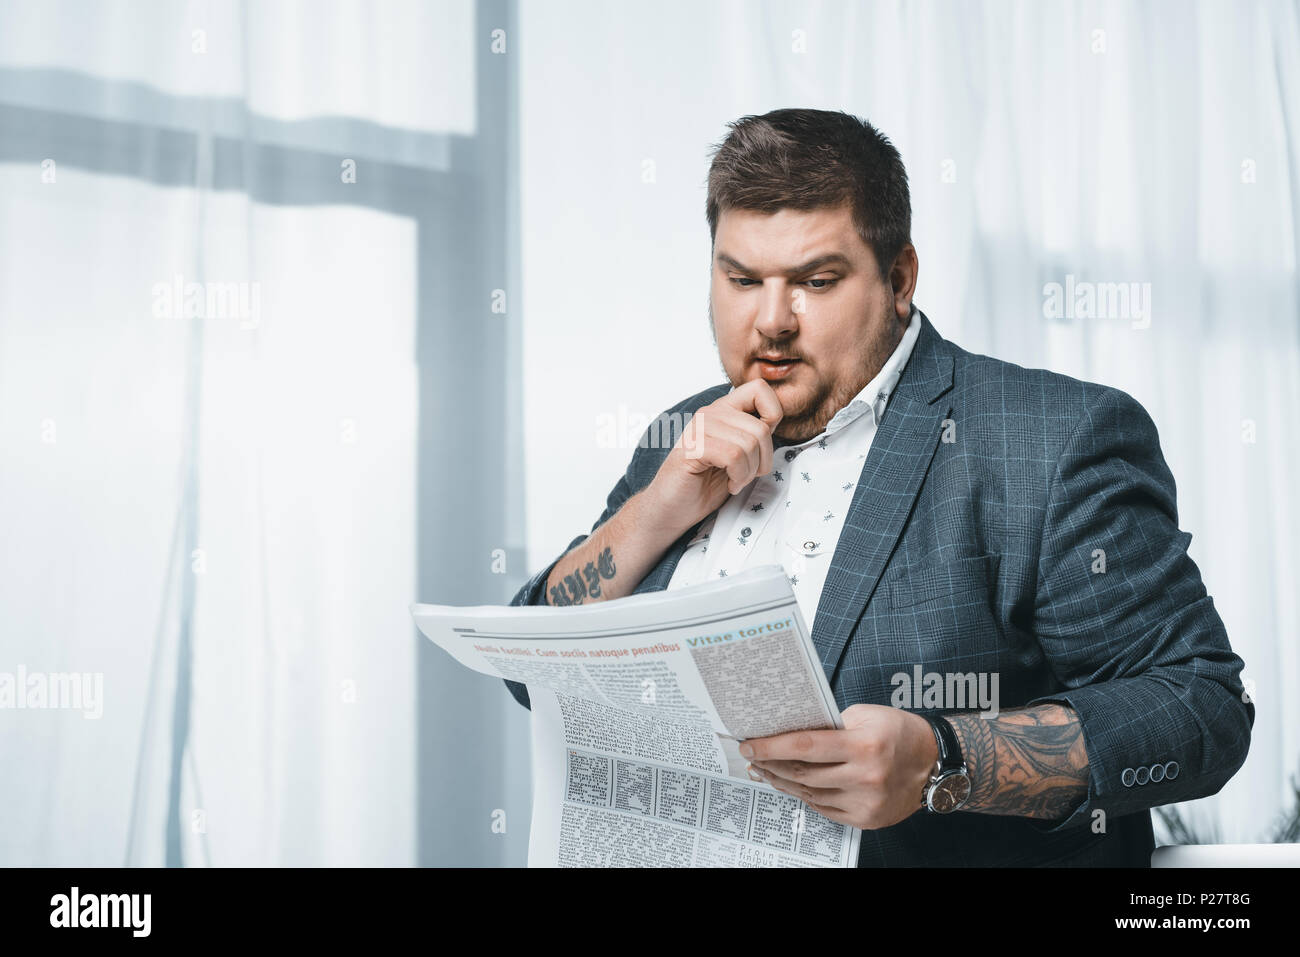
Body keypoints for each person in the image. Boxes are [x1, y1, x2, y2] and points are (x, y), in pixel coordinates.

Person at [504, 108, 1253, 867]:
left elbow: (1202, 707)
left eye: (815, 281)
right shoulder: (683, 436)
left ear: (898, 278)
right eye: (740, 279)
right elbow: (529, 673)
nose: (770, 321)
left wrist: (945, 760)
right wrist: (654, 515)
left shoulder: (1051, 440)